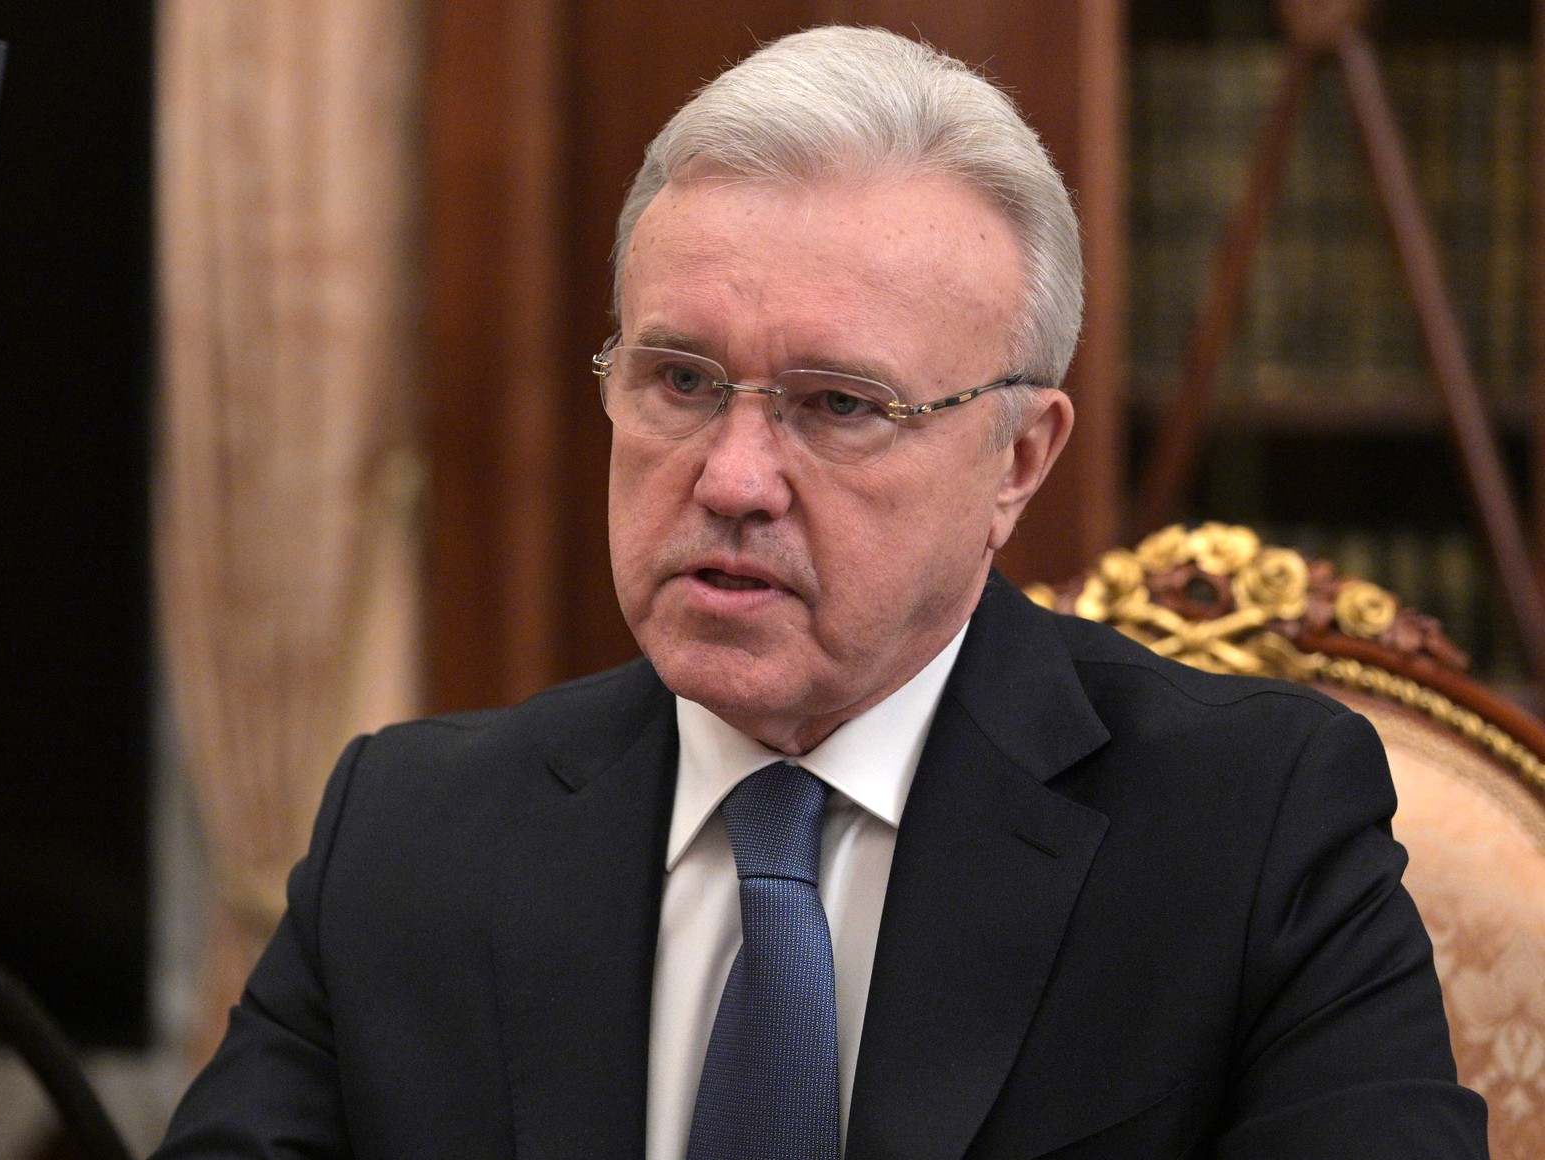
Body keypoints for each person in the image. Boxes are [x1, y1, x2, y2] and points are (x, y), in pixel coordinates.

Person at [156, 25, 1488, 1159]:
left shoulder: (1251, 831)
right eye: (681, 381)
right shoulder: (411, 834)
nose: (734, 478)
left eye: (841, 405)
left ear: (1018, 461)